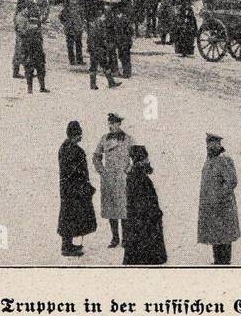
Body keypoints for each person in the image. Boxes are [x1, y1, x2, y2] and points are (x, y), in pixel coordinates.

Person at [197, 133, 240, 265]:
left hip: (222, 209)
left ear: (218, 145)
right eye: (208, 144)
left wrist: (219, 197)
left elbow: (232, 181)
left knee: (224, 239)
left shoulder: (223, 160)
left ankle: (224, 264)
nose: (209, 147)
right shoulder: (209, 160)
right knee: (216, 238)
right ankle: (218, 262)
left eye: (212, 144)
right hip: (212, 210)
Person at [92, 114, 133, 248]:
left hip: (123, 179)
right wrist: (102, 172)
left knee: (125, 209)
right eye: (109, 123)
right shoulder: (104, 139)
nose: (110, 126)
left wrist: (128, 171)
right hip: (109, 179)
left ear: (119, 124)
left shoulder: (128, 139)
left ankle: (126, 238)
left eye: (113, 123)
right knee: (111, 210)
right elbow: (96, 157)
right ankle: (115, 238)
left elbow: (136, 157)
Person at [57, 120, 98, 257]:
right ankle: (67, 247)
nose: (81, 136)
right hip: (75, 190)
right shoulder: (75, 150)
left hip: (68, 189)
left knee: (68, 216)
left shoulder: (63, 148)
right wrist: (85, 186)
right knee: (72, 216)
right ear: (75, 134)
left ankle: (67, 244)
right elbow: (78, 172)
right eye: (79, 134)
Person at [123, 144, 167, 266]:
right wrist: (156, 213)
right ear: (140, 161)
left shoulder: (135, 175)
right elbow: (143, 204)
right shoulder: (139, 177)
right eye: (146, 159)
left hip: (138, 224)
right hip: (144, 226)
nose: (148, 161)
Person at [15, 0, 49, 94]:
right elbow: (21, 31)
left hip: (33, 43)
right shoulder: (23, 17)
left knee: (36, 65)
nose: (35, 9)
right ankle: (33, 88)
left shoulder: (27, 16)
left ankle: (37, 87)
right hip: (30, 43)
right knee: (34, 65)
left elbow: (38, 27)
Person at [60, 0, 86, 66]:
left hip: (77, 29)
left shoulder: (79, 9)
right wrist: (66, 24)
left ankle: (78, 60)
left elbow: (83, 17)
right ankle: (73, 60)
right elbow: (61, 17)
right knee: (71, 45)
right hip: (71, 29)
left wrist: (81, 24)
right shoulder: (66, 9)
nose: (74, 2)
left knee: (78, 45)